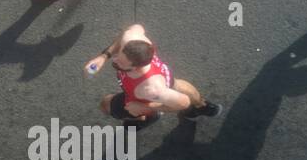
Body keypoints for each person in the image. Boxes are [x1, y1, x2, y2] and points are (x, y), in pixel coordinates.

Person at [85, 24, 222, 126]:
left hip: (145, 95)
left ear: (137, 68)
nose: (115, 60)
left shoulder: (150, 89)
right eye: (119, 54)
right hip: (164, 76)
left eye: (121, 62)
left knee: (106, 104)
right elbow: (134, 28)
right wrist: (104, 56)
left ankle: (148, 117)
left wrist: (145, 107)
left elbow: (183, 102)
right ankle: (202, 106)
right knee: (175, 84)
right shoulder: (133, 39)